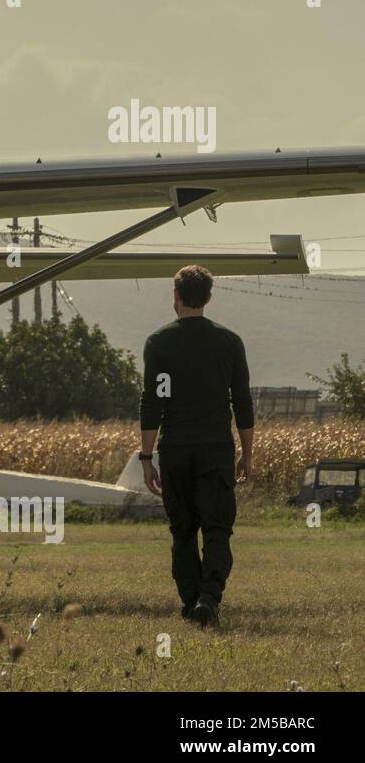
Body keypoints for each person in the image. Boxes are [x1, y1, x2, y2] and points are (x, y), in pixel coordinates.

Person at [139, 265, 253, 628]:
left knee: (182, 530)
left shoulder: (159, 342)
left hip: (175, 450)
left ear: (176, 296)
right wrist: (246, 454)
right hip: (216, 448)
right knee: (217, 529)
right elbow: (243, 403)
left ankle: (190, 602)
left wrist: (146, 457)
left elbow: (152, 403)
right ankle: (209, 598)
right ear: (208, 297)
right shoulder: (229, 342)